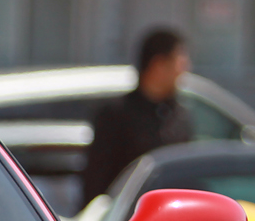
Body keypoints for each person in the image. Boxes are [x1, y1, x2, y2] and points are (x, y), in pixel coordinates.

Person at [82, 28, 192, 202]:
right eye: (180, 61)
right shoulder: (115, 115)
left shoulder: (179, 116)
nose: (184, 70)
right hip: (126, 218)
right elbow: (97, 181)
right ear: (159, 65)